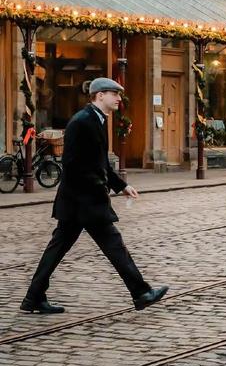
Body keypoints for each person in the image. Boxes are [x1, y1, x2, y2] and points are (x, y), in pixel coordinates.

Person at [21, 78, 168, 314]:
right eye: (114, 93)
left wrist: (121, 186)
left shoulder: (98, 120)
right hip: (84, 201)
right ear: (99, 96)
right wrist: (98, 186)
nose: (119, 98)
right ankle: (141, 292)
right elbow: (71, 163)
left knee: (58, 249)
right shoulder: (82, 121)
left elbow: (100, 163)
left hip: (80, 203)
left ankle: (33, 297)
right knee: (114, 246)